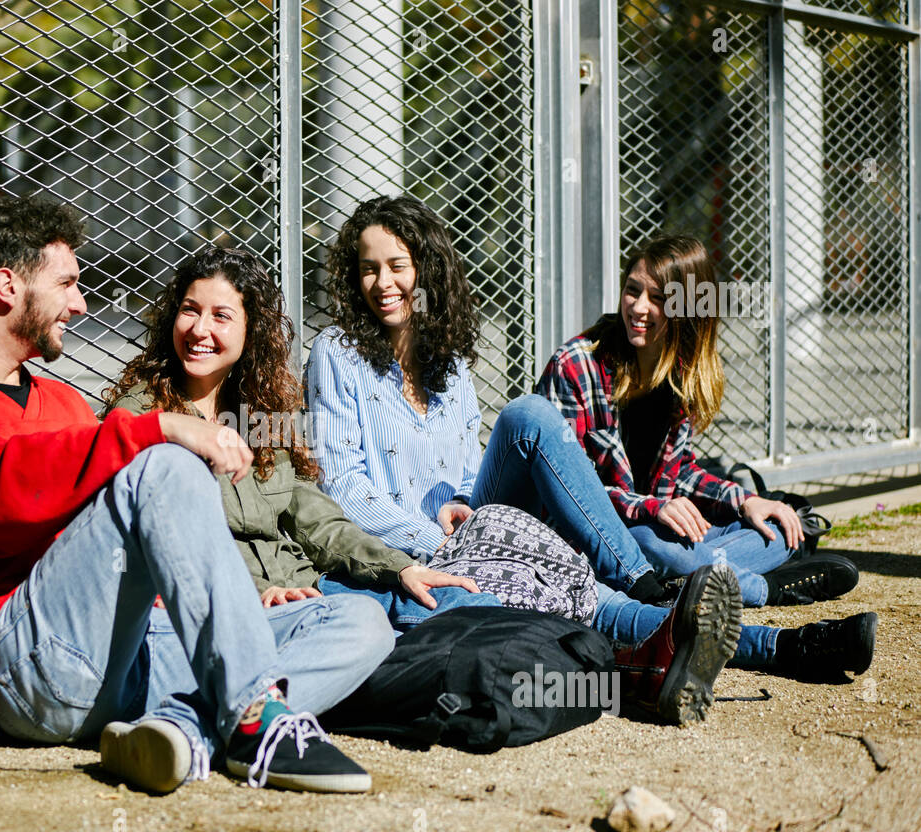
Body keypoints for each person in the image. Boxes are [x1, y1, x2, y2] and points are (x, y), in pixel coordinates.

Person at [0, 193, 392, 796]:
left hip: (123, 655)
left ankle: (183, 732)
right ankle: (253, 722)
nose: (80, 303)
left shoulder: (62, 404)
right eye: (66, 283)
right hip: (13, 670)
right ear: (7, 285)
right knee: (166, 465)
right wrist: (162, 427)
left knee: (361, 620)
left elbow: (100, 543)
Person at [307, 195, 875, 692]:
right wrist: (436, 534)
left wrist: (461, 503)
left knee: (744, 539)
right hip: (418, 555)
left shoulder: (449, 362)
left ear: (426, 270)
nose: (383, 283)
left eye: (397, 266)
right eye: (367, 270)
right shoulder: (337, 355)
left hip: (491, 530)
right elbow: (345, 489)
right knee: (616, 596)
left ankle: (755, 612)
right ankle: (786, 645)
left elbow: (466, 470)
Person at [104, 245, 500, 636]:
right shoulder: (142, 417)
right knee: (391, 638)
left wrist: (399, 567)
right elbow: (147, 543)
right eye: (190, 310)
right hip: (236, 608)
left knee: (472, 607)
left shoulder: (260, 410)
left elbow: (315, 518)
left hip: (311, 586)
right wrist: (257, 591)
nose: (199, 329)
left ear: (251, 330)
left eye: (220, 316)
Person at [536, 233, 859, 611]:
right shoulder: (576, 365)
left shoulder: (682, 371)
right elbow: (568, 494)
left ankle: (681, 580)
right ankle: (761, 589)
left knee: (772, 529)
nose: (639, 307)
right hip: (598, 538)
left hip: (658, 530)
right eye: (632, 291)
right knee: (649, 541)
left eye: (657, 298)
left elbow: (681, 473)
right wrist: (651, 507)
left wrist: (746, 501)